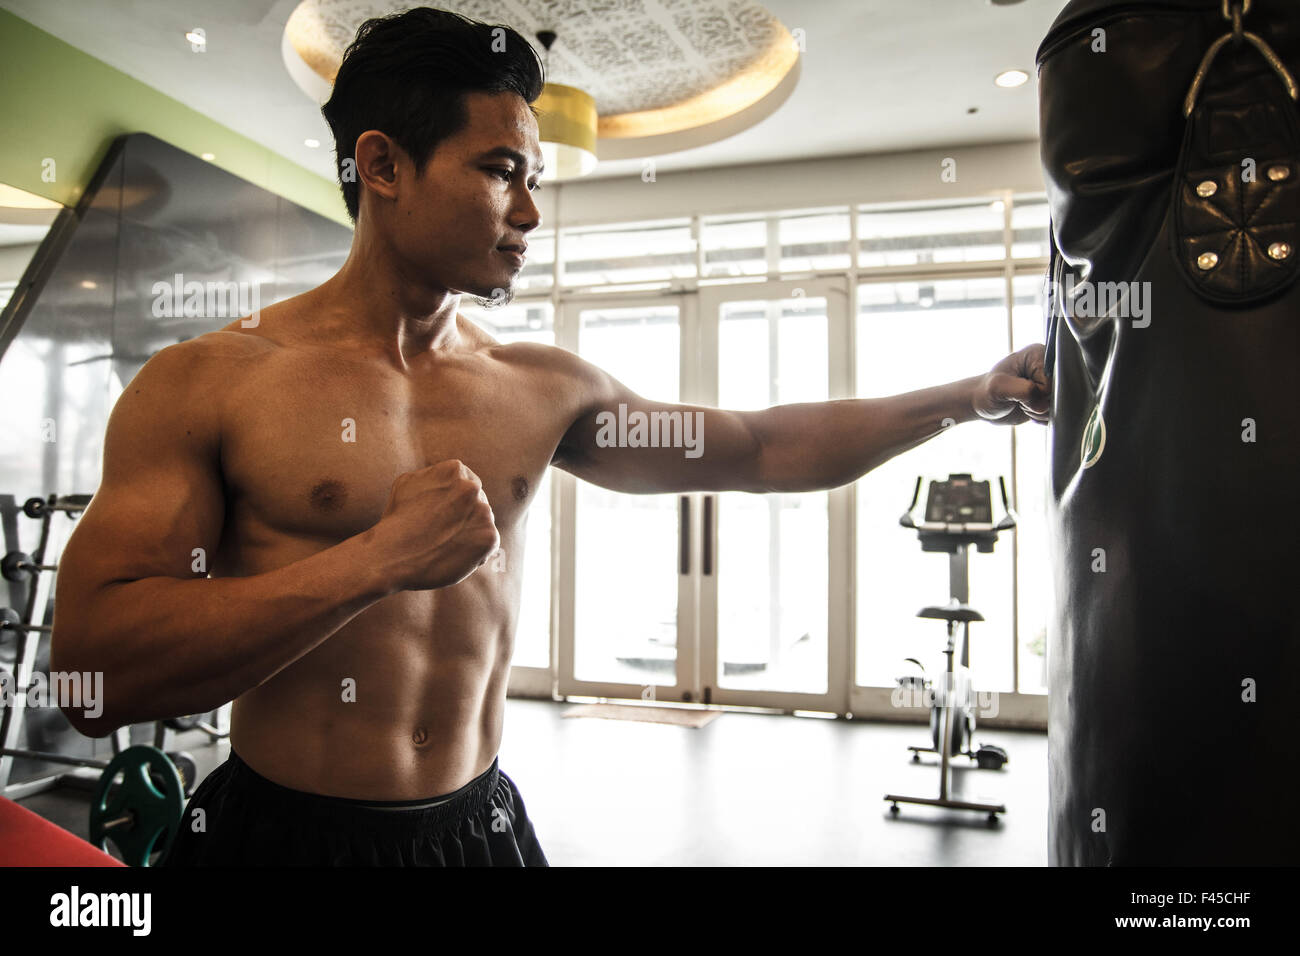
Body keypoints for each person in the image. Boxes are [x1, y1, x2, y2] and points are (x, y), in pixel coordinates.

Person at [50, 8, 1050, 866]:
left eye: (533, 178)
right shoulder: (210, 380)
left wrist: (968, 394)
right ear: (382, 164)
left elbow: (756, 445)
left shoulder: (538, 385)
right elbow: (92, 674)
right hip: (283, 835)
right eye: (499, 172)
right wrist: (373, 563)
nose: (530, 211)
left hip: (478, 826)